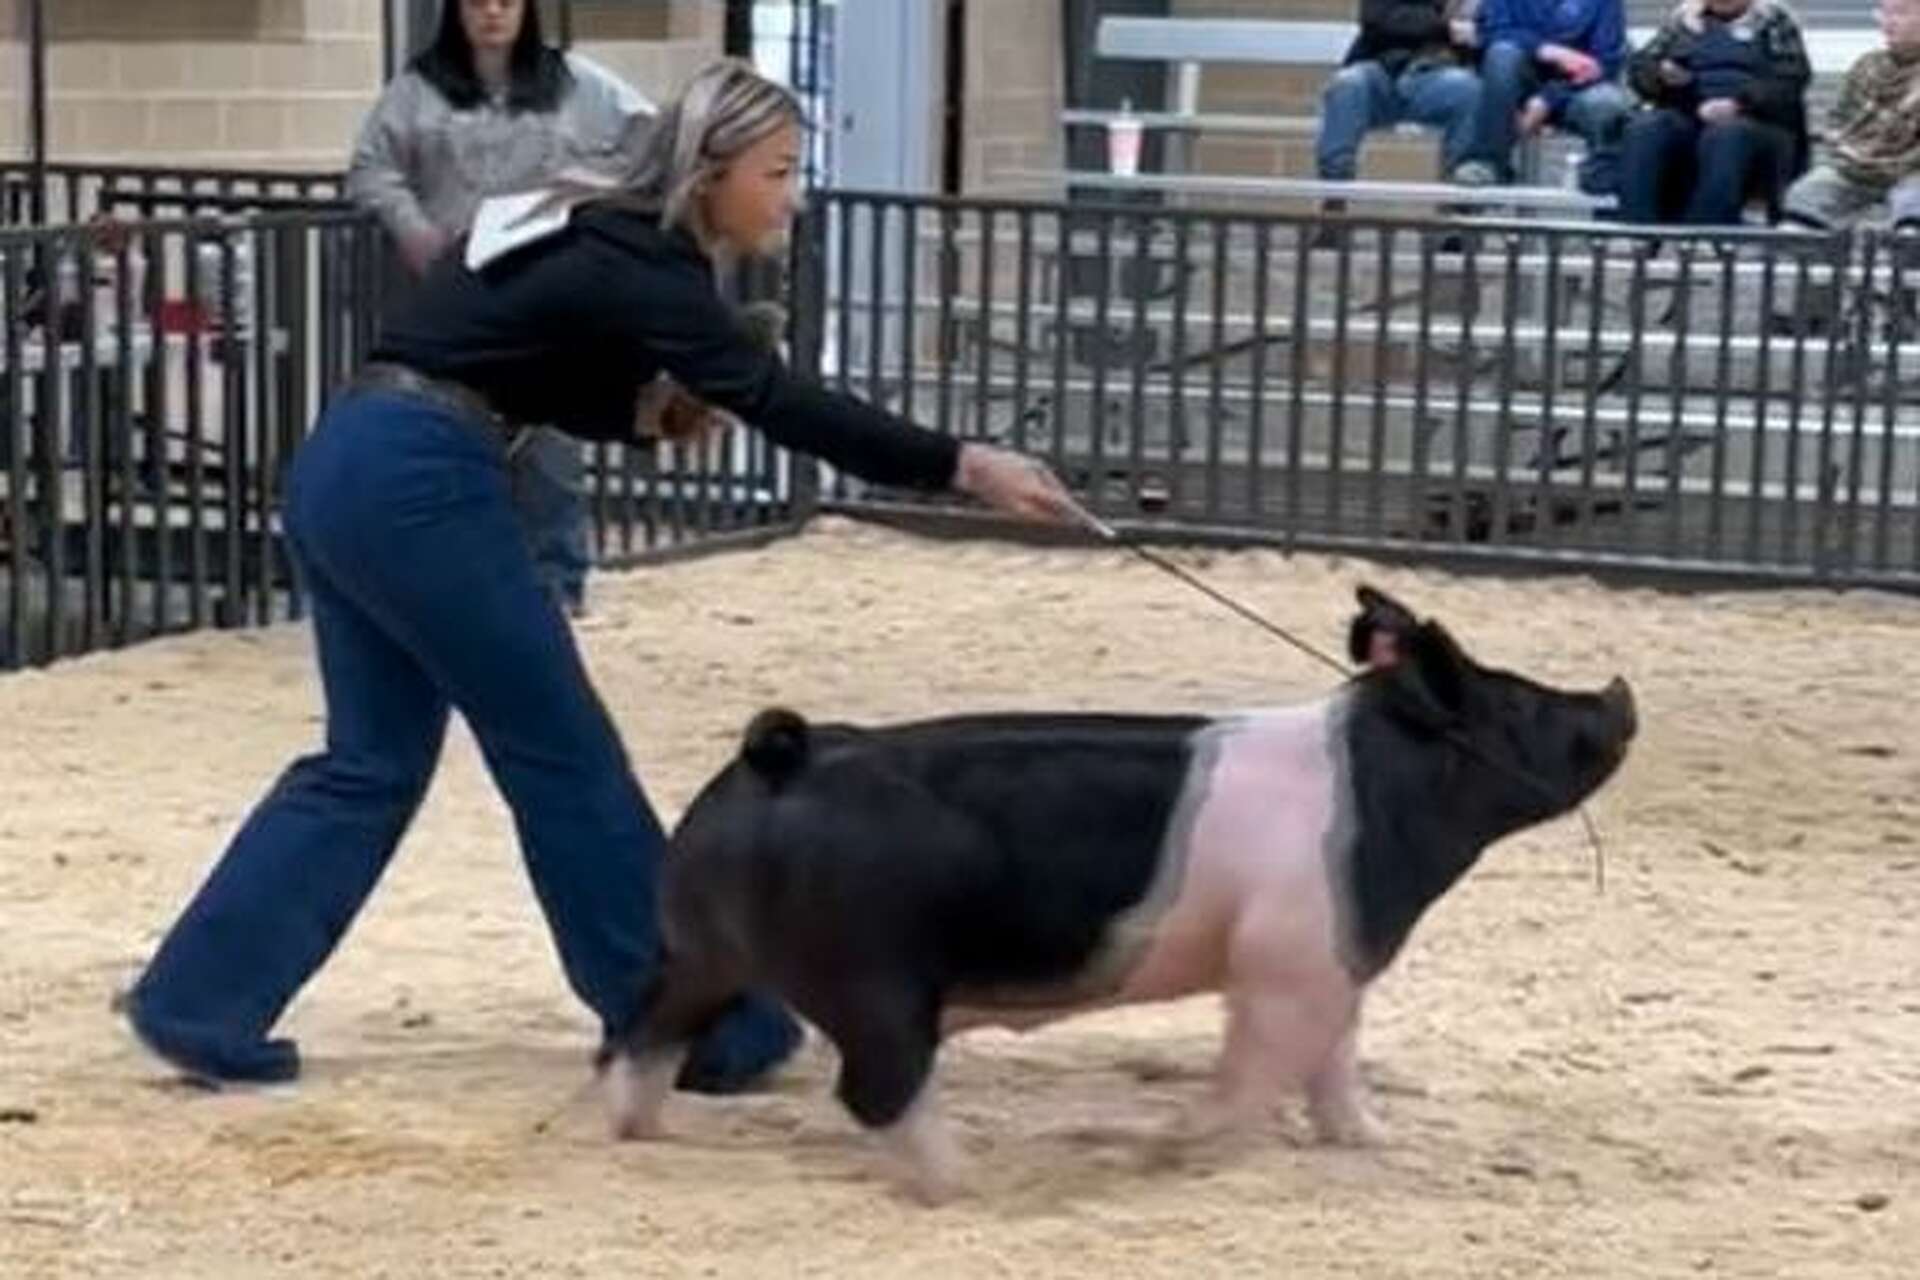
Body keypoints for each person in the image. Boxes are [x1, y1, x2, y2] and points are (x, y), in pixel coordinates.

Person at [121, 59, 1081, 1092]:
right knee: (562, 753)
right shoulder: (648, 258)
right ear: (712, 169)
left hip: (348, 458)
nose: (794, 195)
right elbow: (774, 397)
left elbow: (508, 350)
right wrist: (961, 462)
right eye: (780, 170)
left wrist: (643, 414)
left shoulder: (579, 216)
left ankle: (199, 999)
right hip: (423, 482)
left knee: (369, 763)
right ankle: (689, 1016)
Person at [347, 0, 651, 617]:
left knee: (550, 439)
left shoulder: (575, 83)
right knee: (452, 433)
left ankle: (557, 585)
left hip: (542, 289)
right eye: (478, 0)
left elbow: (647, 136)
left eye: (507, 0)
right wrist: (416, 232)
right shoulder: (417, 91)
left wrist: (591, 198)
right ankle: (456, 583)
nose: (492, 12)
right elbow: (372, 169)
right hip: (456, 290)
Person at [1618, 0, 1810, 227]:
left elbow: (1791, 79)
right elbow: (1642, 67)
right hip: (1691, 114)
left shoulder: (1773, 20)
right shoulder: (1685, 21)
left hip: (1757, 121)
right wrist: (1661, 75)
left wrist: (1739, 105)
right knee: (1646, 128)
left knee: (1726, 135)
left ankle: (1704, 234)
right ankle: (1636, 231)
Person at [1454, 0, 1632, 196]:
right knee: (1502, 53)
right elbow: (1491, 32)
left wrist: (1548, 99)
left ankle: (1605, 195)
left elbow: (1606, 62)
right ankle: (1488, 164)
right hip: (1513, 89)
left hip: (1575, 91)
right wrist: (1547, 50)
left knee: (1607, 103)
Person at [1781, 0, 1920, 232]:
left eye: (1900, 14)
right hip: (1856, 166)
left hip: (1913, 169)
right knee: (1807, 193)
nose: (1888, 23)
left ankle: (1907, 251)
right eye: (1884, 15)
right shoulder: (1868, 66)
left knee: (1914, 205)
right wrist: (1845, 147)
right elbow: (1837, 119)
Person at [1315, 1, 1484, 190]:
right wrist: (1446, 28)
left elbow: (1488, 34)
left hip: (1436, 76)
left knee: (1470, 90)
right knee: (1348, 83)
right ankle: (1334, 190)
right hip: (1381, 72)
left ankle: (1460, 196)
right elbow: (1378, 19)